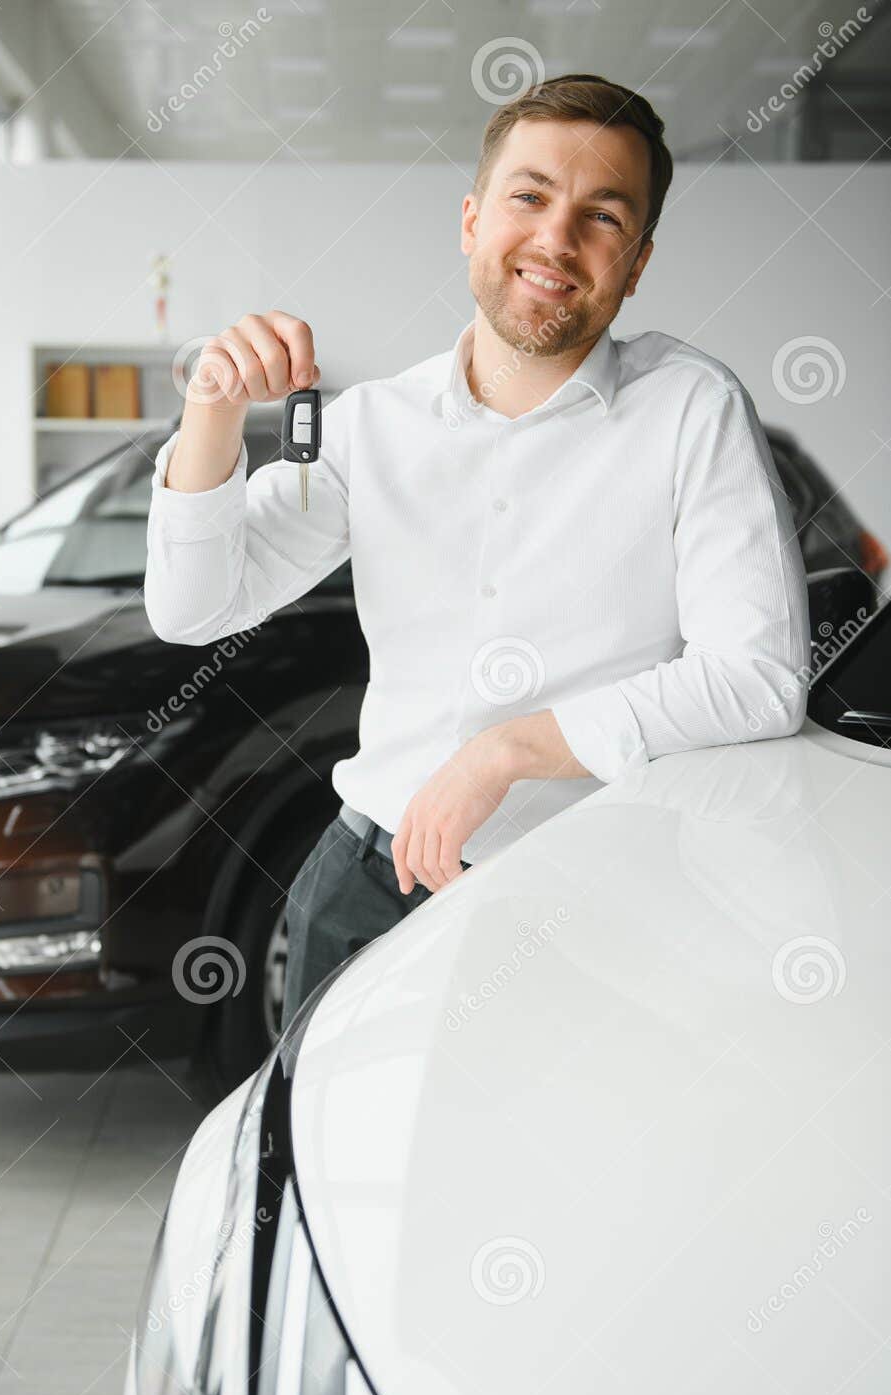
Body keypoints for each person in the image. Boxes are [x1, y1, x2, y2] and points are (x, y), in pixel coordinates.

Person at [144, 73, 809, 1031]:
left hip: (592, 904)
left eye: (602, 216)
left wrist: (507, 749)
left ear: (637, 262)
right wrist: (210, 409)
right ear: (471, 221)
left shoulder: (690, 409)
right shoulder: (369, 427)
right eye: (528, 196)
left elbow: (757, 680)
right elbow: (194, 610)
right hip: (366, 886)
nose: (555, 239)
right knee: (315, 1133)